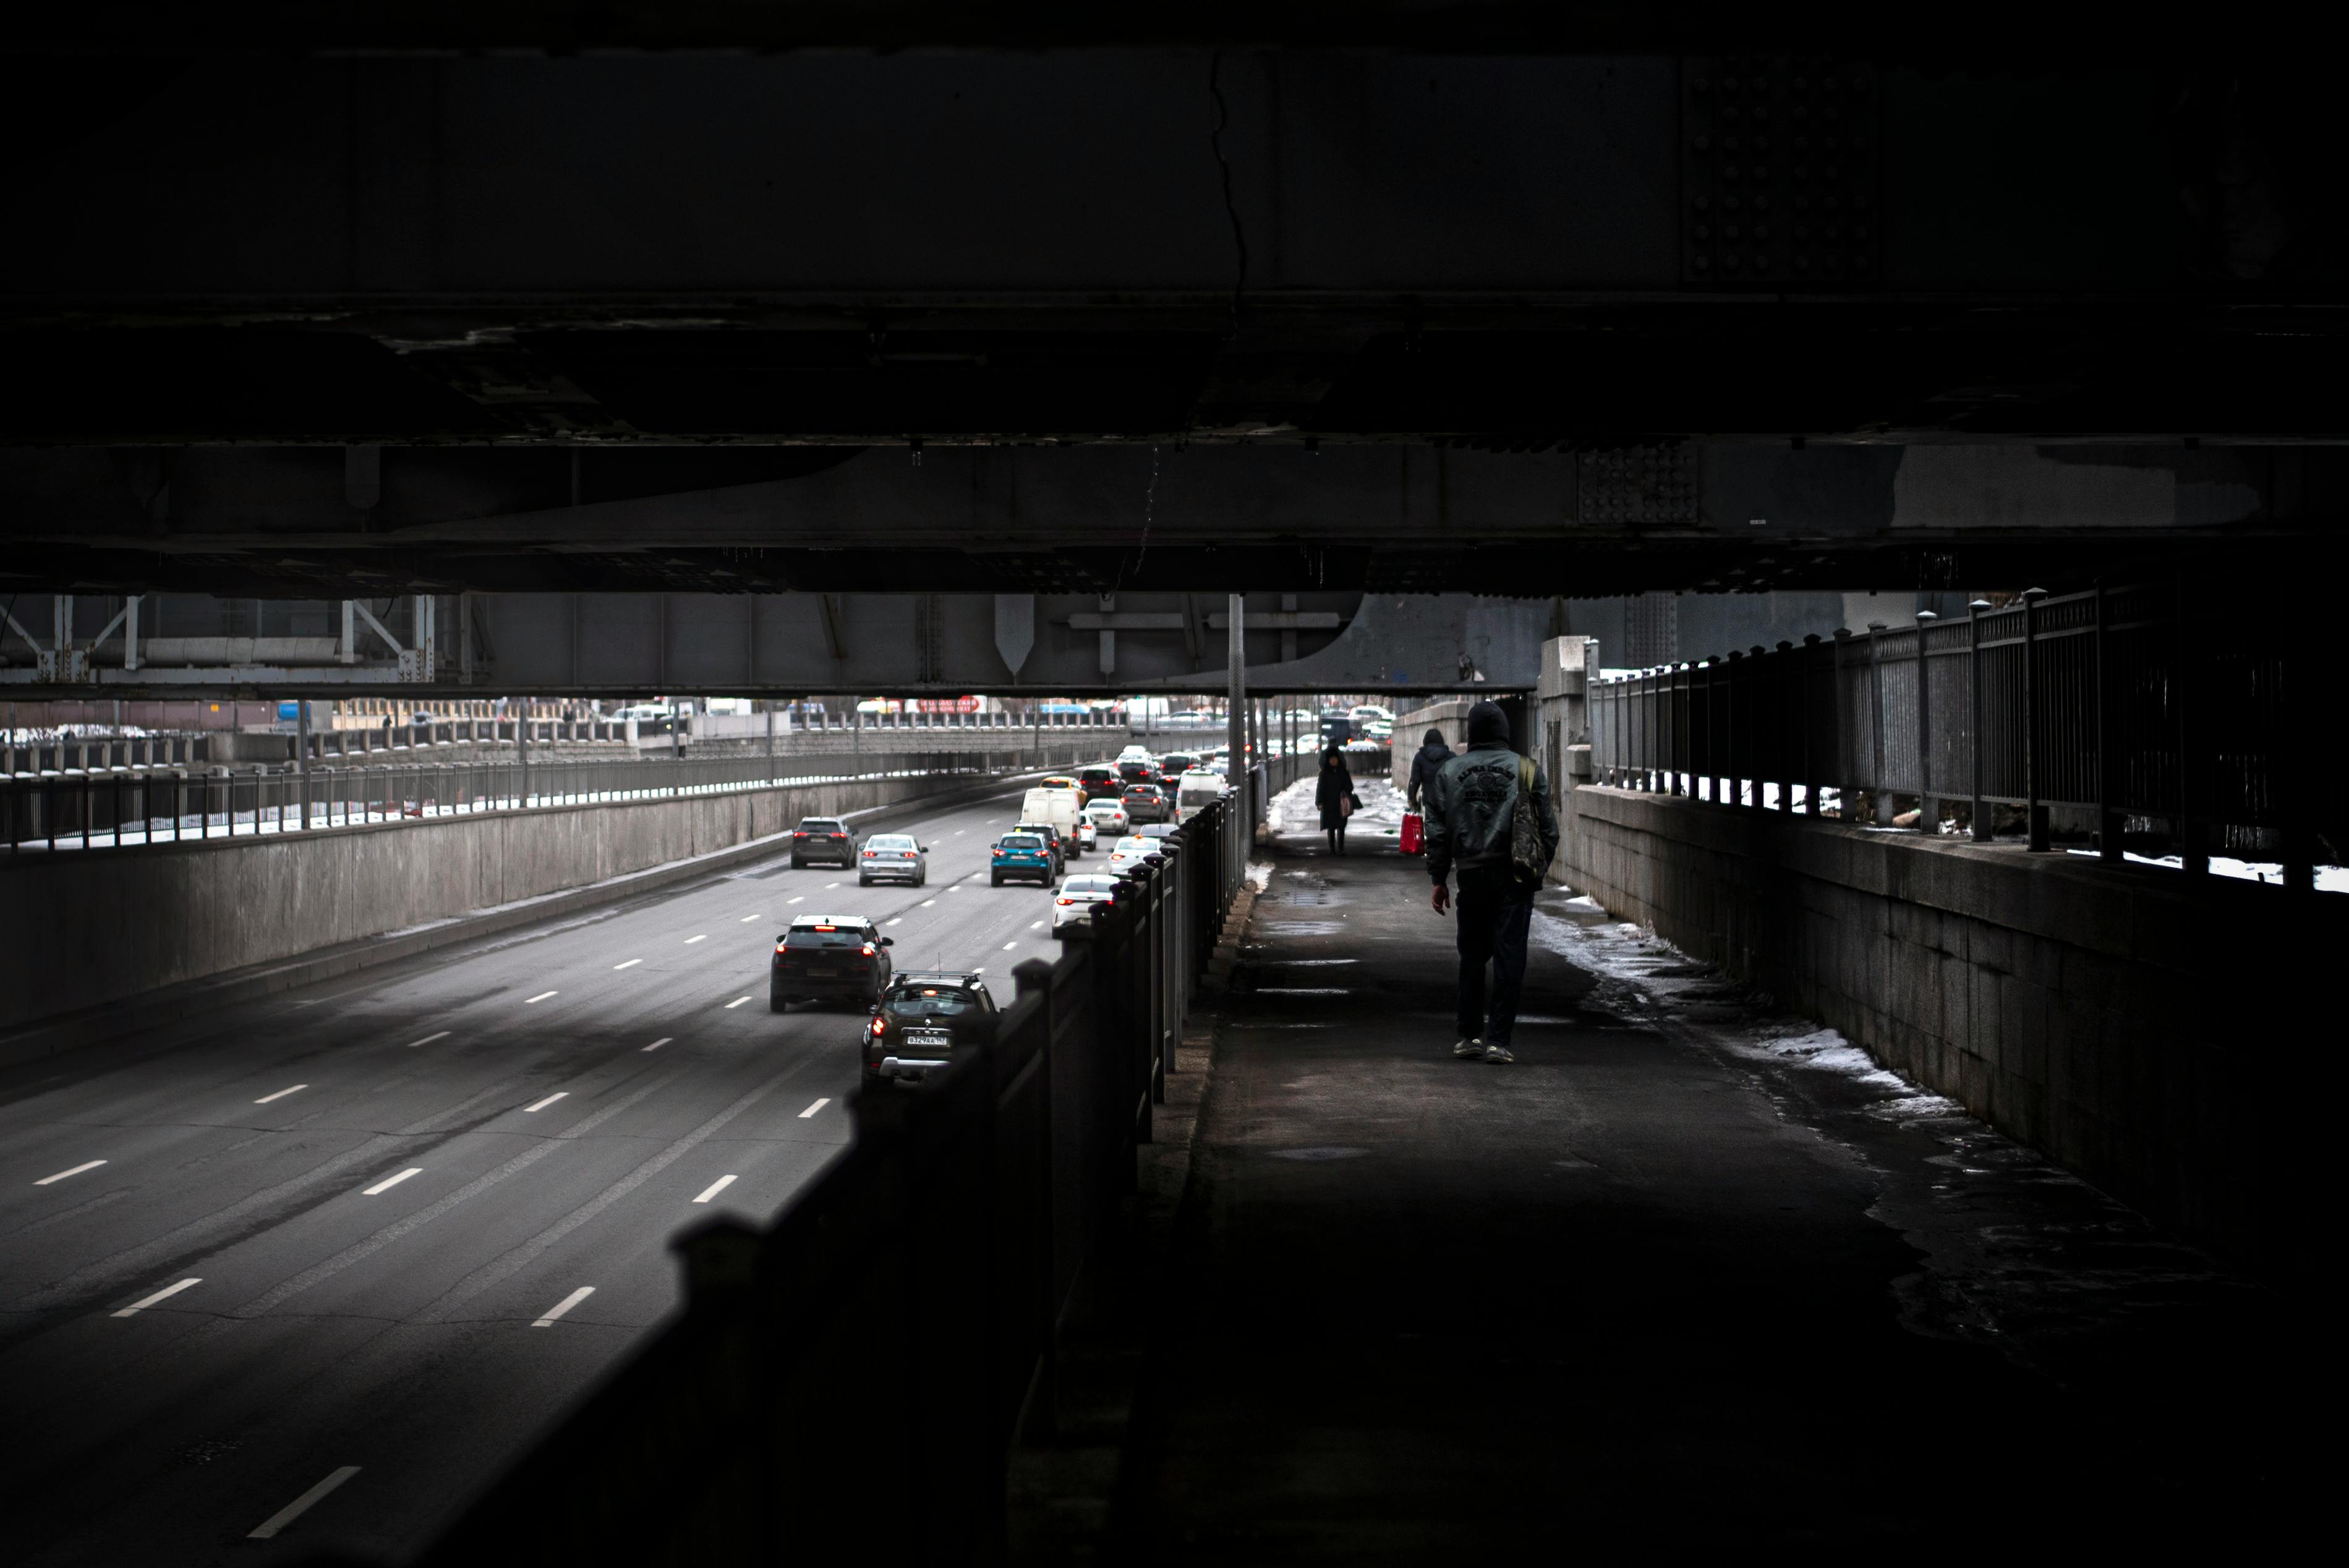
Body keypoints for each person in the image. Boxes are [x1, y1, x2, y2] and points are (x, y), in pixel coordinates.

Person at [1424, 701, 1558, 1064]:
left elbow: (1435, 832)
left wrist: (1439, 879)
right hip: (1514, 879)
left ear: (1472, 733)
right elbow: (1549, 830)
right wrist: (1535, 871)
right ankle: (1499, 1041)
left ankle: (1468, 1036)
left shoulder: (1449, 773)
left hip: (1470, 876)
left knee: (1471, 957)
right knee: (1509, 958)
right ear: (1504, 731)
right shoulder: (1527, 770)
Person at [1315, 745, 1361, 856]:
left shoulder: (1343, 772)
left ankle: (1340, 848)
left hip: (1341, 804)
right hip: (1329, 804)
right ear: (1328, 760)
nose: (1334, 761)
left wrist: (1345, 789)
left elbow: (1350, 786)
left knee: (1341, 826)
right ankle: (1332, 849)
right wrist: (1320, 802)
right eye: (1332, 759)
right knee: (1331, 827)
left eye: (1335, 759)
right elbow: (1320, 789)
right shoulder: (1324, 774)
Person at [1405, 727, 1454, 812]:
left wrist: (1412, 801)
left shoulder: (1419, 757)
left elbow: (1414, 781)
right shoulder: (1451, 756)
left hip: (1429, 800)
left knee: (1431, 823)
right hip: (1448, 800)